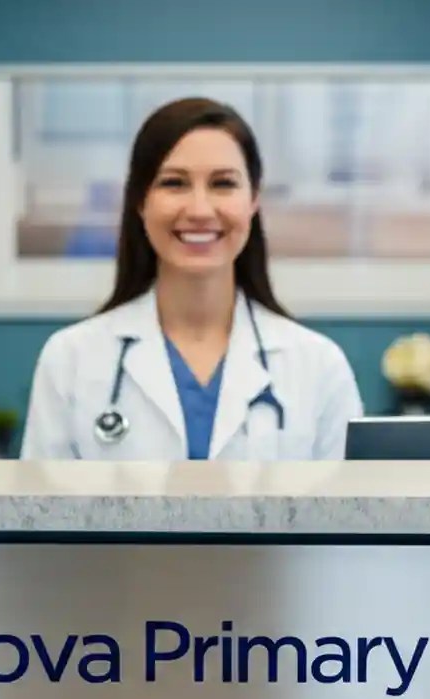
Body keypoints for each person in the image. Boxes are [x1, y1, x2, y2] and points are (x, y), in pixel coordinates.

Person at [19, 97, 364, 461]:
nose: (199, 210)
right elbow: (40, 500)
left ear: (253, 200)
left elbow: (354, 499)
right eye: (174, 183)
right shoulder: (70, 360)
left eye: (223, 183)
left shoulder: (318, 367)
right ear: (140, 201)